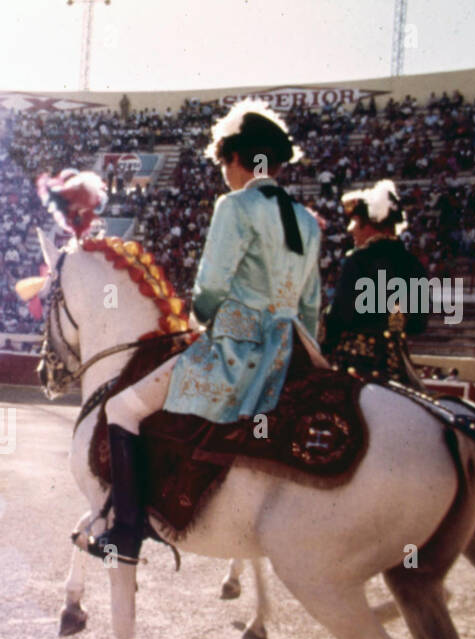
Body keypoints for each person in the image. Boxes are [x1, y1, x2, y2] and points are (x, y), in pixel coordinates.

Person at [85, 101, 323, 563]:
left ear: (238, 160)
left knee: (122, 408)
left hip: (239, 350)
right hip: (295, 347)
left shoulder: (236, 205)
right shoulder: (308, 221)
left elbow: (212, 285)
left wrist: (198, 321)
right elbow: (310, 302)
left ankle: (128, 535)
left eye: (224, 163)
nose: (223, 174)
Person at [320, 179, 430, 389]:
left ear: (369, 225)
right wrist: (391, 322)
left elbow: (341, 316)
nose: (352, 230)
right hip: (396, 364)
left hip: (355, 362)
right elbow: (417, 323)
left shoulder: (358, 260)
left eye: (356, 223)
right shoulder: (413, 263)